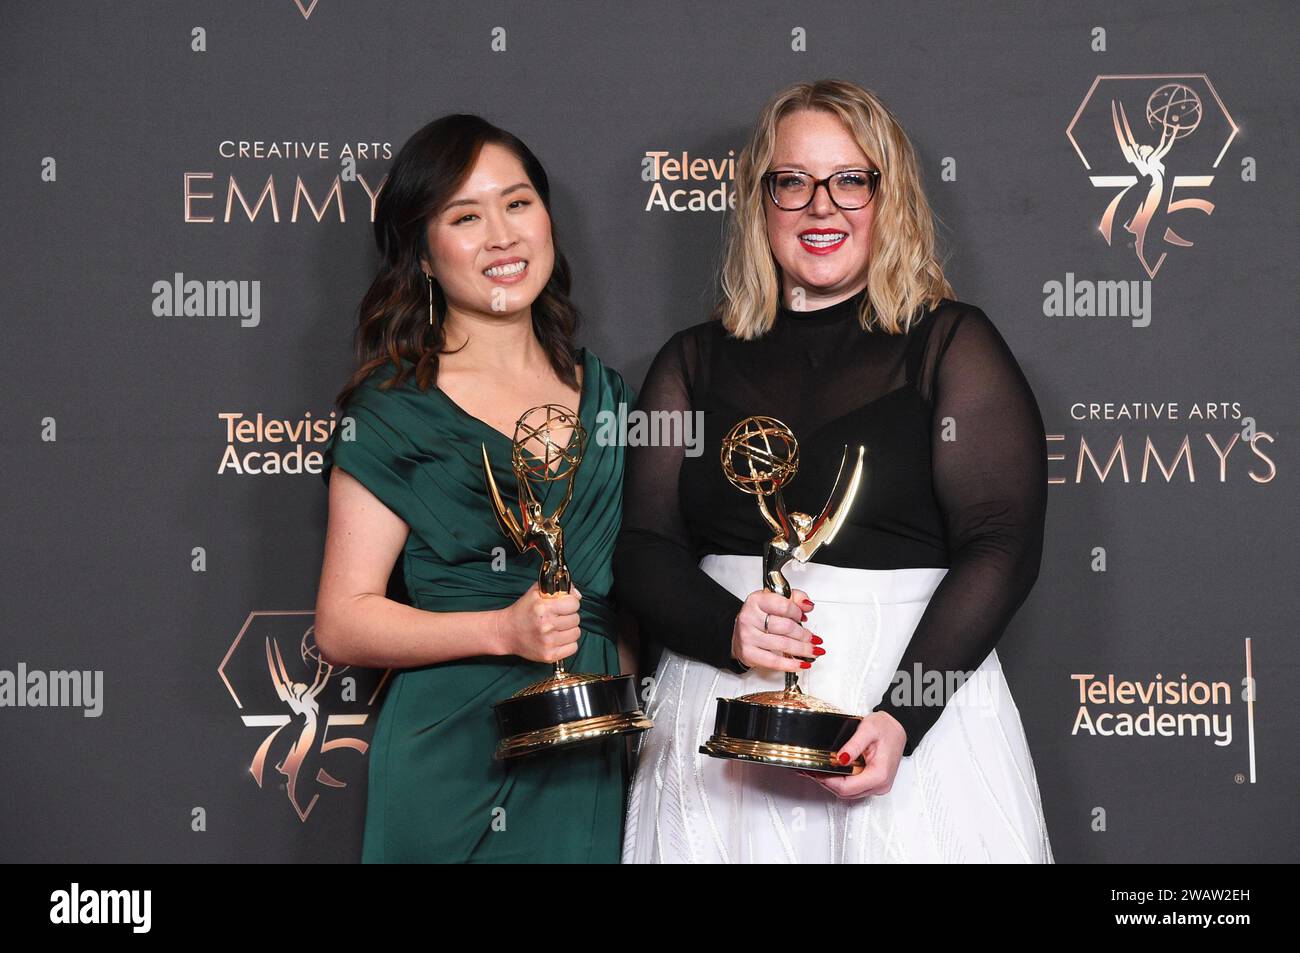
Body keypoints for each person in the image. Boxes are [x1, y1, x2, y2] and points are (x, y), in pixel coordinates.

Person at [615, 80, 1053, 863]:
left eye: (851, 179)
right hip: (724, 708)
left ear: (890, 197)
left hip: (910, 711)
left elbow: (1001, 541)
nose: (823, 207)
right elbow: (644, 545)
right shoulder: (690, 360)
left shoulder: (950, 343)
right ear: (761, 201)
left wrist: (900, 719)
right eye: (794, 182)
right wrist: (727, 627)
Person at [314, 114, 633, 863]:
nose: (502, 236)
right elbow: (341, 621)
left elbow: (624, 598)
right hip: (455, 753)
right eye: (465, 216)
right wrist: (501, 630)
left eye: (517, 203)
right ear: (424, 256)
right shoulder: (395, 409)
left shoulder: (610, 398)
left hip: (584, 744)